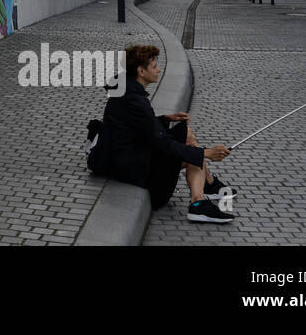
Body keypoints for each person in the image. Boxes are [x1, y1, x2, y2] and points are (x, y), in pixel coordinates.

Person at [99, 44, 236, 224]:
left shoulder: (125, 88)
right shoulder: (135, 99)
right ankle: (199, 201)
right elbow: (161, 142)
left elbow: (135, 125)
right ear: (141, 71)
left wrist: (165, 118)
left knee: (187, 138)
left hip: (126, 157)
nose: (159, 69)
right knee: (191, 149)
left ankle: (207, 188)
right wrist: (206, 153)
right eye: (154, 66)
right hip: (133, 169)